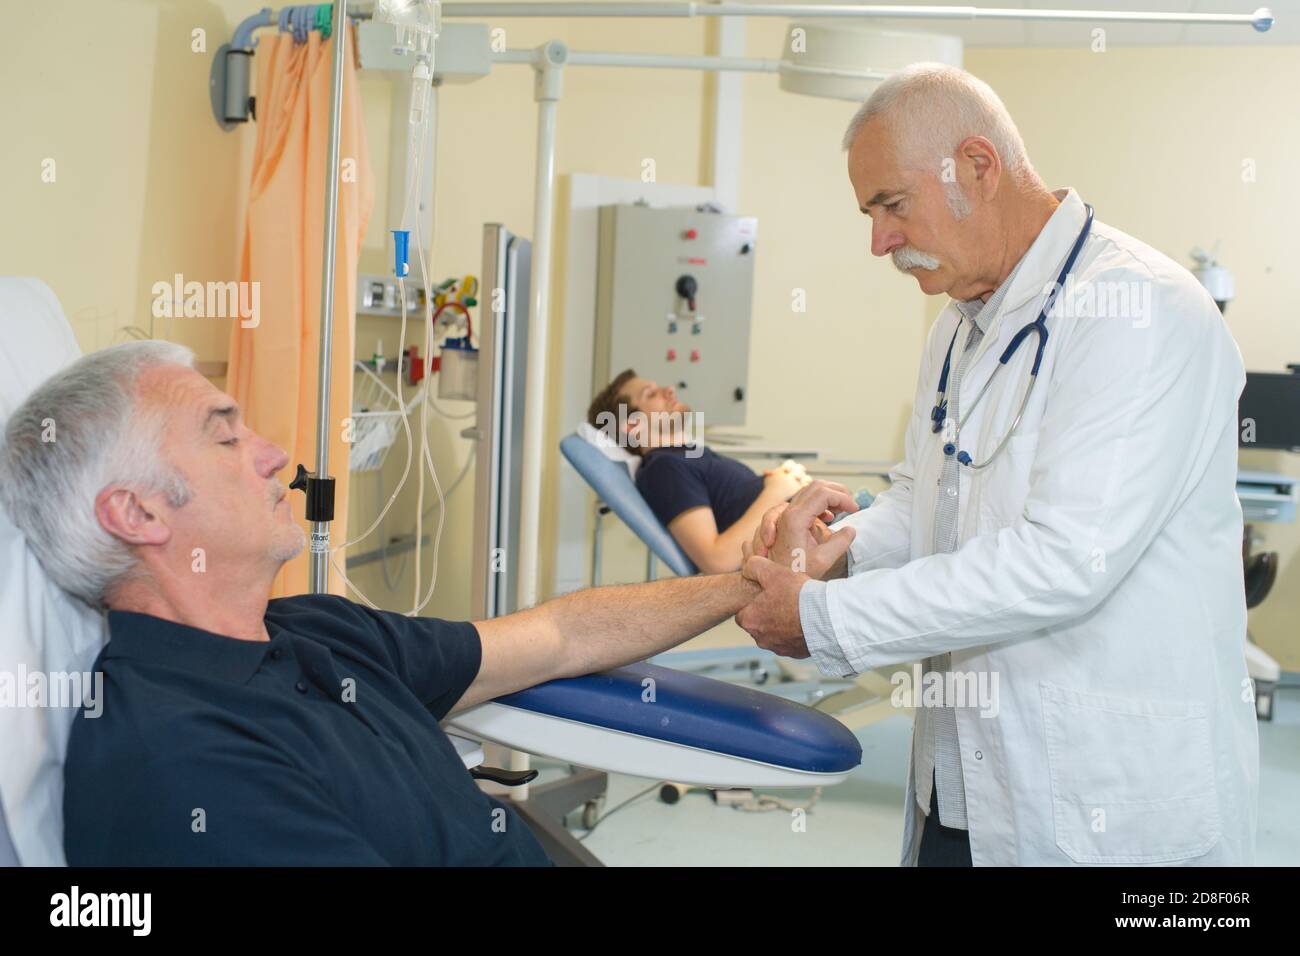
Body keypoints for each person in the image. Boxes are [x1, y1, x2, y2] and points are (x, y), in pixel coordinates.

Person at [734, 63, 1258, 866]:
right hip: (960, 786)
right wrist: (841, 547)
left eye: (892, 206)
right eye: (871, 215)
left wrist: (824, 620)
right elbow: (928, 498)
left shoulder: (1140, 309)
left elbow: (1065, 561)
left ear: (976, 166)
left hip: (1105, 802)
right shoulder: (958, 326)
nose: (879, 242)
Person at [0, 341, 760, 866]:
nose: (273, 454)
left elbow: (560, 634)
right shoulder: (180, 759)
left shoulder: (315, 627)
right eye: (226, 439)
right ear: (137, 514)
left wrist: (751, 582)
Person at [587, 369, 810, 572]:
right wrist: (778, 489)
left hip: (810, 534)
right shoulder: (663, 468)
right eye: (651, 394)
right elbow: (717, 561)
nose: (669, 389)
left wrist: (782, 482)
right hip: (802, 554)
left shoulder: (686, 455)